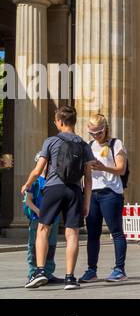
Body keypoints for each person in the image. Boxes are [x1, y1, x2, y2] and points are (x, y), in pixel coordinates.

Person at [20, 104, 94, 288]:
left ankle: (39, 271)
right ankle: (70, 278)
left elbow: (38, 170)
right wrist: (87, 202)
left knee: (43, 228)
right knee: (72, 233)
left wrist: (27, 184)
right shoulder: (84, 145)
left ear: (60, 122)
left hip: (53, 189)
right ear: (74, 122)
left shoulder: (51, 142)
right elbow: (89, 178)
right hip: (74, 191)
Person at [80, 113, 128, 284]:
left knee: (116, 232)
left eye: (98, 133)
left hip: (111, 193)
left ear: (105, 129)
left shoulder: (116, 143)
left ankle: (119, 269)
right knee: (92, 234)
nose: (95, 136)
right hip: (92, 193)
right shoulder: (88, 146)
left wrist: (103, 167)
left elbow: (121, 169)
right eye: (91, 133)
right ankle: (91, 270)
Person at [21, 152, 58, 286]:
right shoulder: (34, 181)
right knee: (33, 246)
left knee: (51, 244)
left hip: (53, 216)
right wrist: (39, 211)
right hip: (38, 217)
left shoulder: (53, 179)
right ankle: (33, 273)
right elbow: (28, 201)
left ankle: (47, 273)